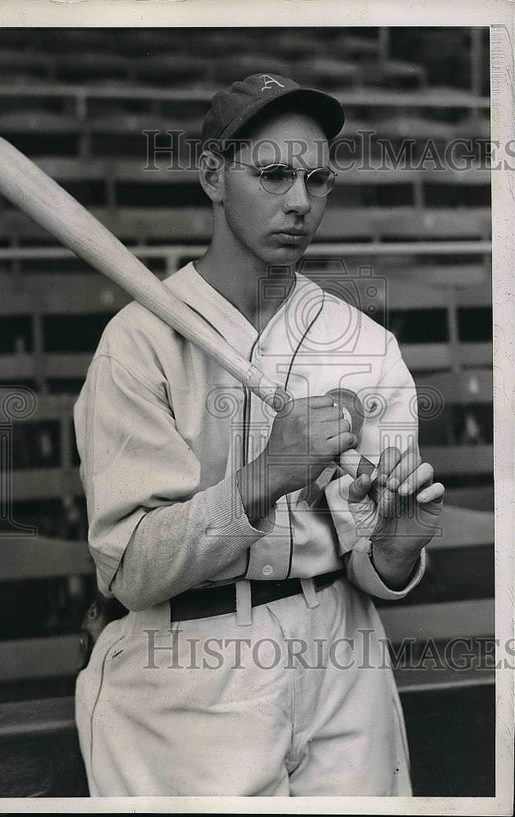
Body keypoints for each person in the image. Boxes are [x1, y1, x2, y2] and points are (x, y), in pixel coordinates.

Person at [73, 74, 445, 797]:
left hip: (343, 654)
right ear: (213, 175)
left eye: (317, 179)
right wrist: (265, 476)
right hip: (189, 665)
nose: (300, 201)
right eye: (273, 174)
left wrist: (396, 546)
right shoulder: (138, 342)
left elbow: (374, 568)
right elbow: (130, 570)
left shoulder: (364, 344)